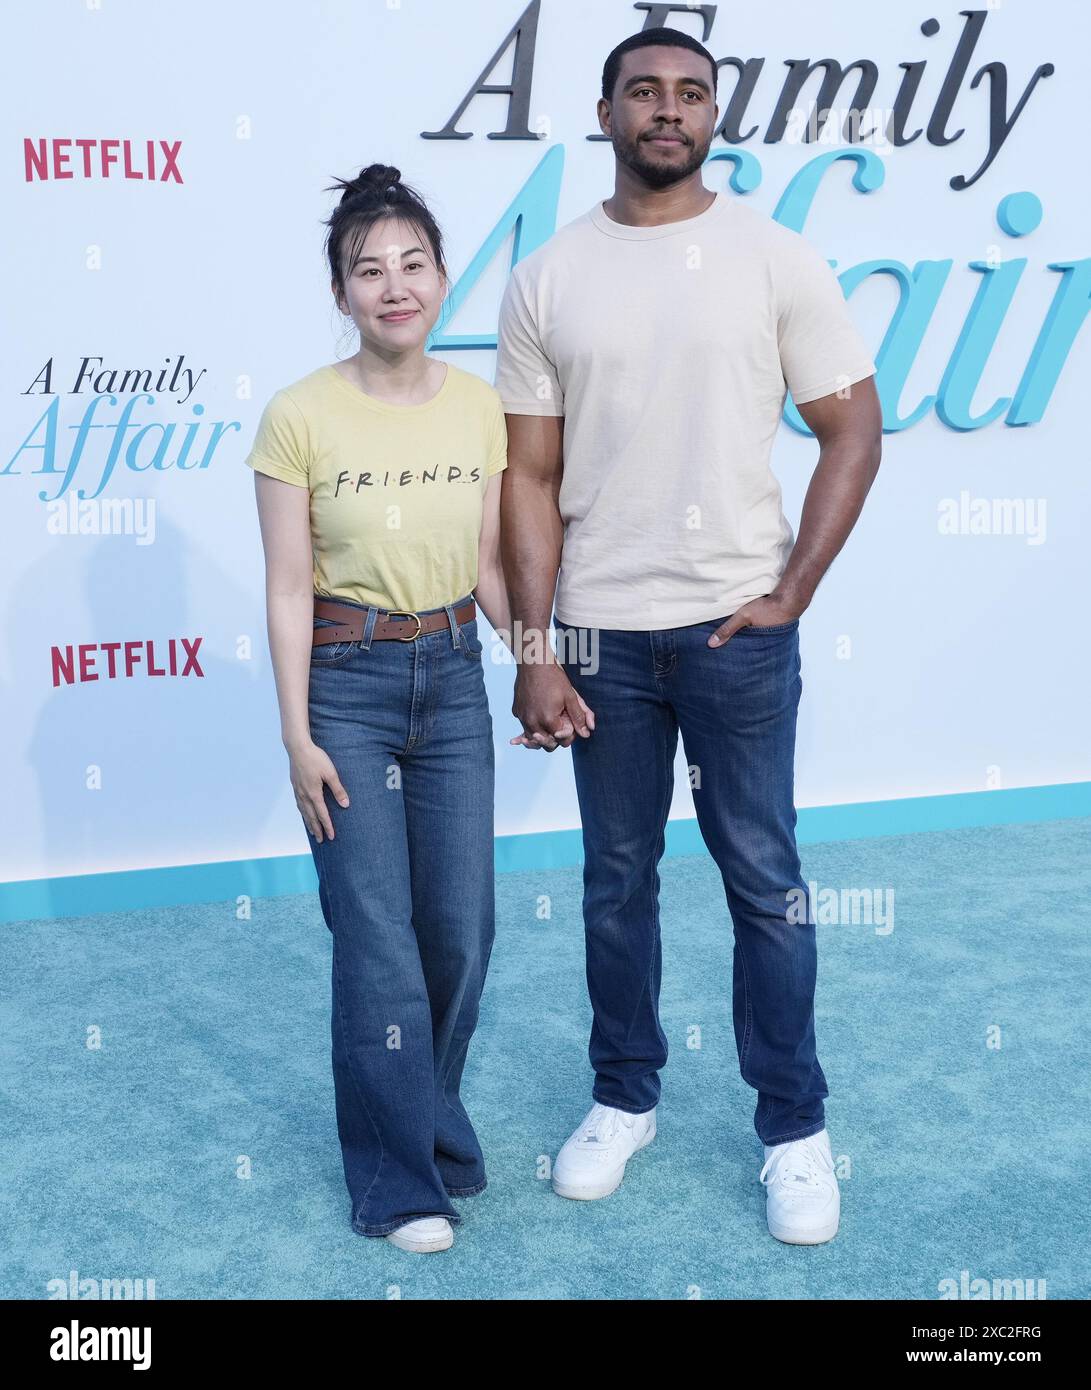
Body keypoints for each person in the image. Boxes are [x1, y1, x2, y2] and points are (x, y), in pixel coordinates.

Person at [495, 28, 883, 1245]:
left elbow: (852, 428)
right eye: (644, 92)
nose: (668, 111)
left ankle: (793, 1130)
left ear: (713, 115)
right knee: (615, 885)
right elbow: (525, 476)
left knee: (763, 885)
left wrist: (793, 590)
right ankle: (623, 1097)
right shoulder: (547, 276)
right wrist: (533, 647)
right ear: (603, 109)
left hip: (734, 635)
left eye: (690, 94)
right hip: (601, 632)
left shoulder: (771, 257)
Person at [245, 163, 515, 1253]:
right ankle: (398, 1180)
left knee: (460, 931)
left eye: (413, 264)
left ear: (444, 278)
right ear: (341, 292)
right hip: (346, 686)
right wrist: (296, 734)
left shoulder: (481, 406)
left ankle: (428, 1113)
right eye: (369, 270)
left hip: (452, 676)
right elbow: (283, 587)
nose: (394, 285)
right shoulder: (297, 416)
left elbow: (492, 562)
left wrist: (542, 657)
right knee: (377, 944)